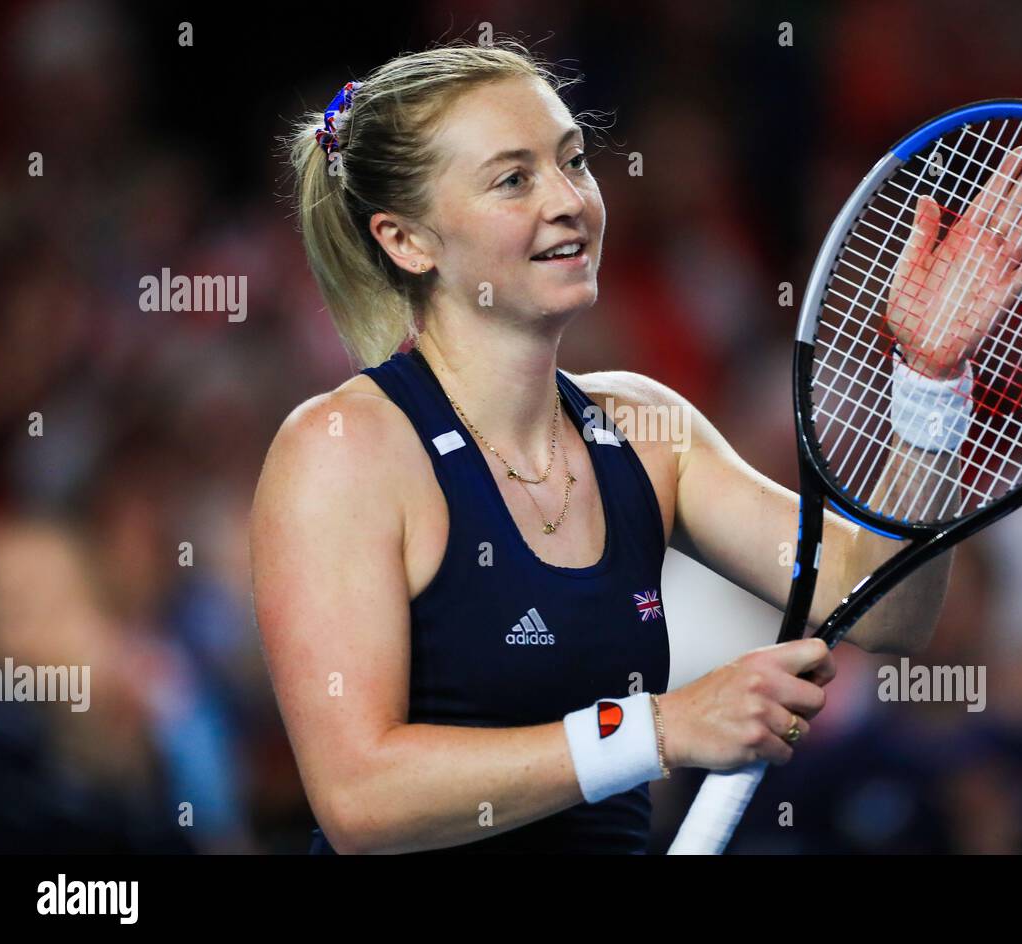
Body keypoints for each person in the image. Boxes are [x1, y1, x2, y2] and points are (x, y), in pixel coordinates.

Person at [252, 39, 958, 854]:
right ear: (407, 241)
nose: (569, 200)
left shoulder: (647, 430)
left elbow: (885, 604)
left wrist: (929, 387)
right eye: (513, 178)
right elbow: (359, 796)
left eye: (573, 161)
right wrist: (656, 730)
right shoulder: (343, 449)